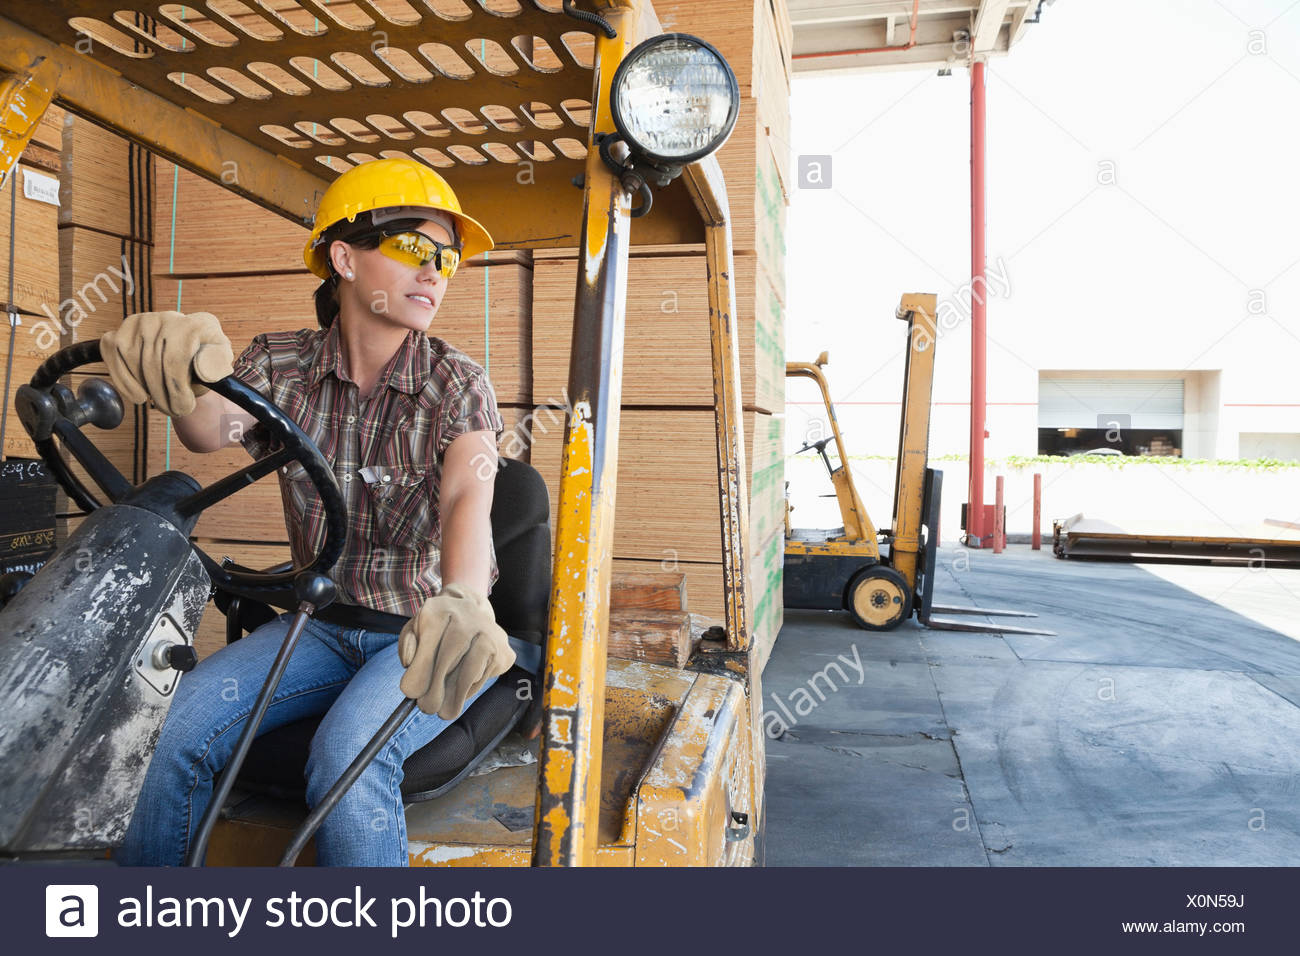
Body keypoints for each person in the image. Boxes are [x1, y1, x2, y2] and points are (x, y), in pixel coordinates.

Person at [107, 158, 518, 866]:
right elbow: (211, 429)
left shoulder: (458, 383)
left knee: (346, 762)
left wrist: (463, 594)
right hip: (320, 626)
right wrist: (183, 368)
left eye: (447, 260)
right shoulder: (281, 366)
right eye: (417, 249)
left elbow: (466, 494)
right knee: (168, 732)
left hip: (423, 633)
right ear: (344, 258)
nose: (436, 273)